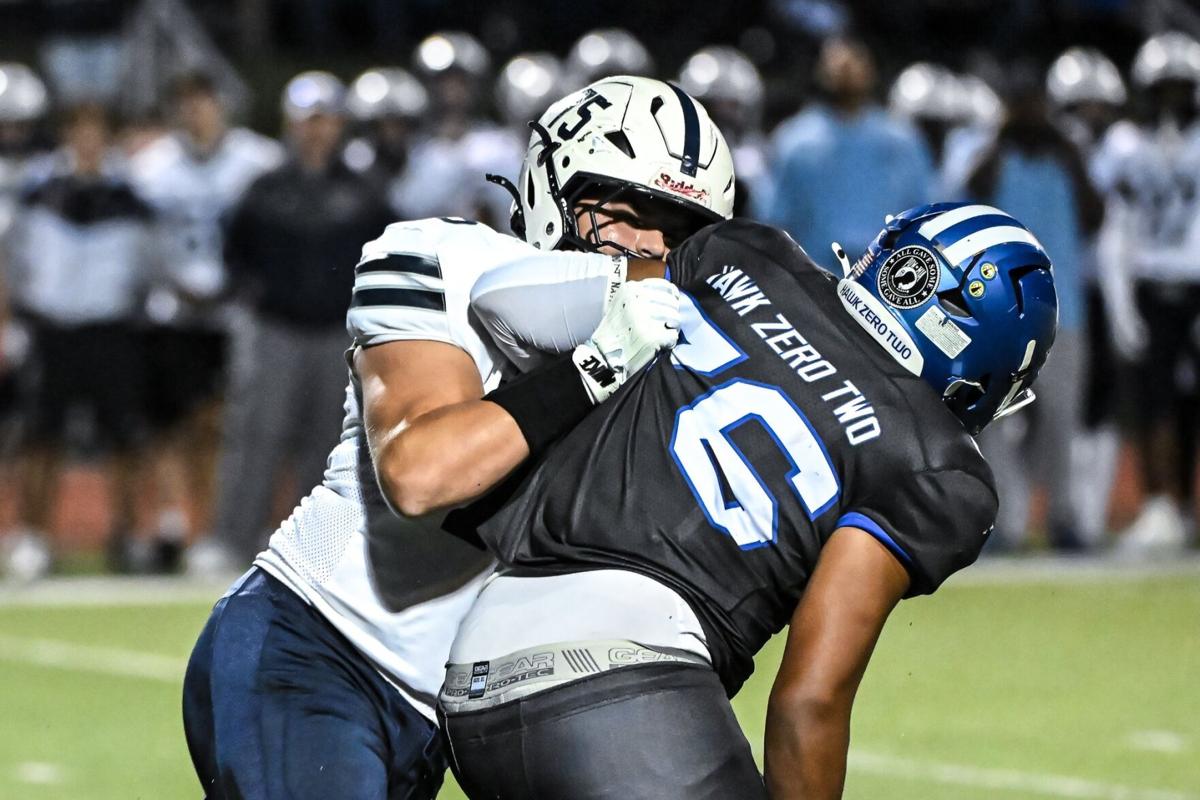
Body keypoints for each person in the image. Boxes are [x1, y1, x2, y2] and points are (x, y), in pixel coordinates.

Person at [182, 76, 735, 799]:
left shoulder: (667, 352)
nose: (650, 247)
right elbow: (417, 473)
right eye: (629, 212)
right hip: (312, 644)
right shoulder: (439, 256)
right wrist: (591, 367)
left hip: (441, 716)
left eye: (680, 230)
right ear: (553, 191)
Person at [439, 203, 1058, 799]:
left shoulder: (746, 255)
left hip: (475, 672)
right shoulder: (937, 466)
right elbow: (808, 701)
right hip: (625, 686)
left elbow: (507, 296)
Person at [127, 71, 283, 570]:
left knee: (230, 425)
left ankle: (227, 525)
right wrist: (169, 283)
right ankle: (185, 522)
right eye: (188, 104)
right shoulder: (151, 168)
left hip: (238, 313)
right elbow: (139, 244)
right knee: (173, 424)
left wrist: (243, 286)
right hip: (172, 312)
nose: (198, 113)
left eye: (205, 102)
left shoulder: (258, 161)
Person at [1, 102, 156, 576]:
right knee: (40, 439)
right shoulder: (36, 193)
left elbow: (149, 265)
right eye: (80, 131)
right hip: (51, 330)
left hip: (112, 329)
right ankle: (32, 536)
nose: (88, 141)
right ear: (67, 136)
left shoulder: (131, 196)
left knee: (125, 438)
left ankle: (129, 537)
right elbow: (11, 263)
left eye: (96, 131)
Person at [965, 70, 1103, 550]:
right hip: (1001, 314)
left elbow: (1095, 217)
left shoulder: (1067, 157)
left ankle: (1063, 516)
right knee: (994, 423)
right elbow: (969, 200)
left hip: (1065, 310)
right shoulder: (992, 157)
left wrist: (1067, 153)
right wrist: (1001, 140)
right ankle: (1004, 524)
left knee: (1061, 418)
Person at [1100, 31, 1200, 554]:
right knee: (1155, 399)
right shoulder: (1124, 144)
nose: (1171, 102)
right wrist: (1120, 304)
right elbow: (1116, 227)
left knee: (1188, 403)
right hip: (1151, 284)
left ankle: (1185, 507)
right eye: (1163, 90)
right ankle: (1162, 504)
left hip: (1195, 281)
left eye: (1181, 89)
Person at [761, 38, 933, 269]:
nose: (846, 68)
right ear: (820, 72)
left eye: (855, 60)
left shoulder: (902, 140)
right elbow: (775, 219)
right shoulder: (795, 140)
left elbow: (924, 214)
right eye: (836, 61)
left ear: (871, 70)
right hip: (814, 277)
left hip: (884, 278)